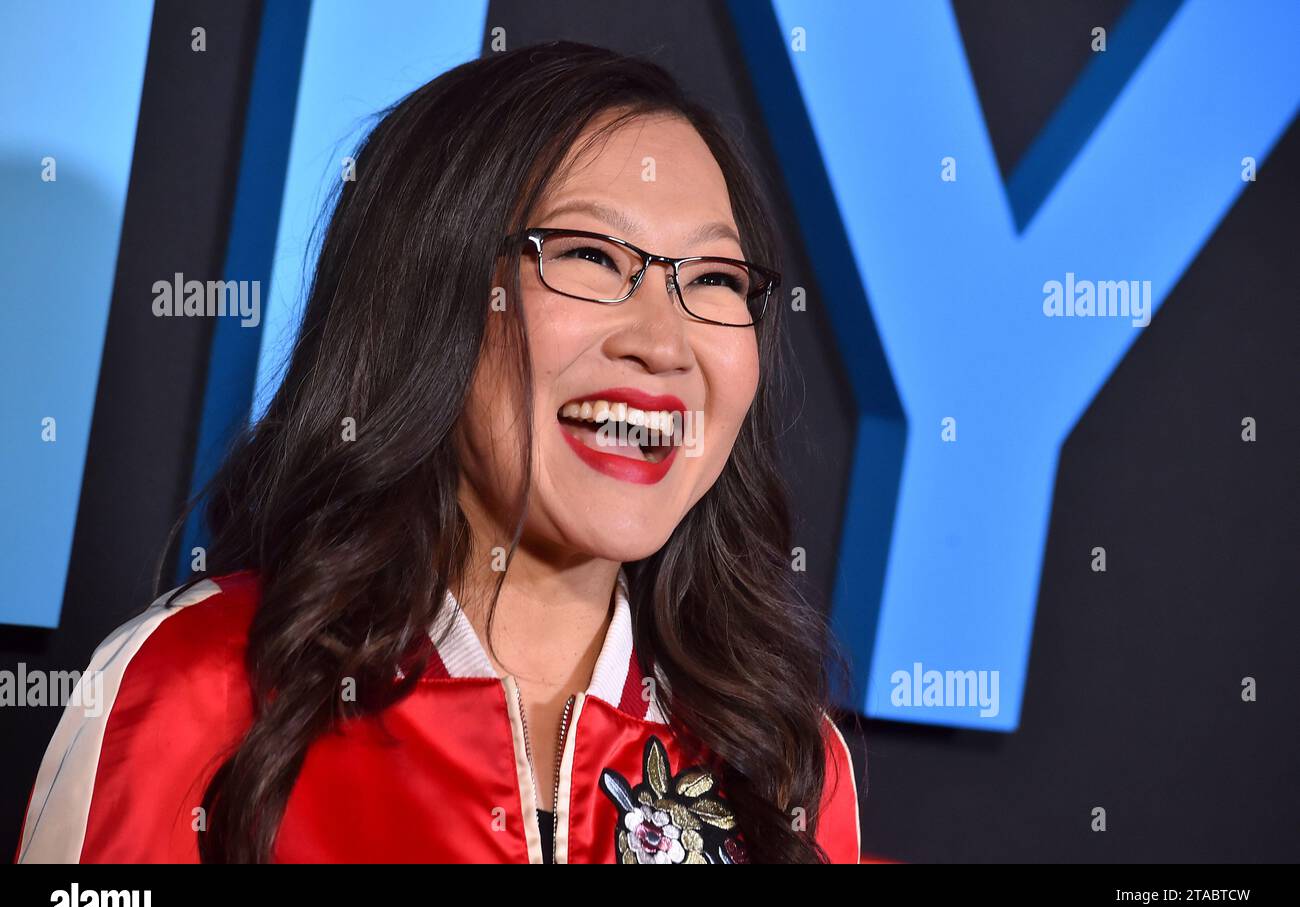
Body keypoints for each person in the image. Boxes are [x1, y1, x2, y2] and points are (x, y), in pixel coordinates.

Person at [16, 41, 859, 864]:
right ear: (428, 290)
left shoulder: (785, 759)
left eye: (714, 277)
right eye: (592, 257)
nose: (664, 344)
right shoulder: (198, 690)